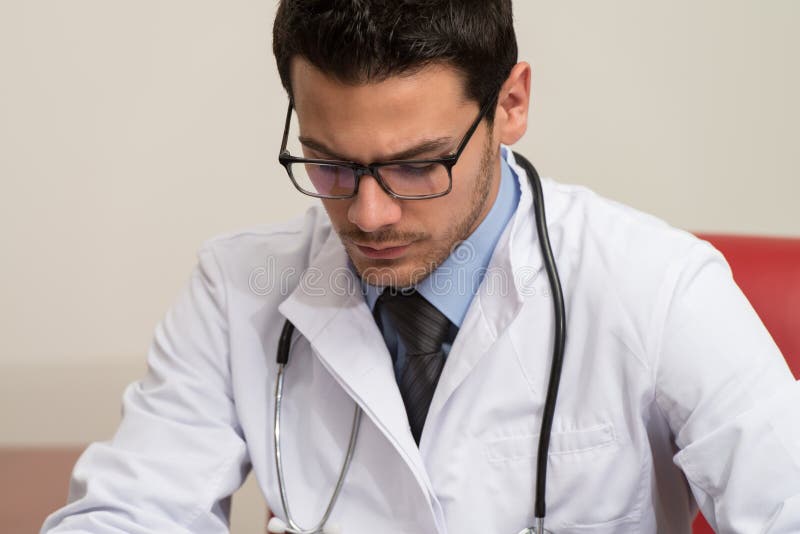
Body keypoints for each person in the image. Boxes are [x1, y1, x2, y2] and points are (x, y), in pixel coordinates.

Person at [42, 1, 800, 533]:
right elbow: (129, 513)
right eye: (330, 163)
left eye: (416, 166)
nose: (368, 216)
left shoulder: (659, 286)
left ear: (510, 104)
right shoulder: (239, 288)